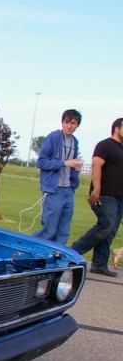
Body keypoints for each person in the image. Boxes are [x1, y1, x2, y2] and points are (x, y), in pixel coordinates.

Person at [70, 117, 123, 277]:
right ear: (117, 129)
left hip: (119, 197)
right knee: (105, 225)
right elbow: (96, 165)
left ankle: (99, 264)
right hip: (105, 195)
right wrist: (97, 189)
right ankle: (72, 253)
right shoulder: (105, 145)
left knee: (111, 230)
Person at [33, 109, 83, 245]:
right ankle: (31, 249)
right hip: (54, 189)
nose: (69, 126)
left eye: (73, 123)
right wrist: (64, 163)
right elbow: (41, 162)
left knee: (64, 230)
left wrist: (76, 169)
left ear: (77, 125)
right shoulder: (54, 137)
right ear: (62, 122)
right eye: (67, 122)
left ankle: (56, 258)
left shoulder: (75, 142)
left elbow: (71, 165)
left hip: (68, 189)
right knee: (49, 229)